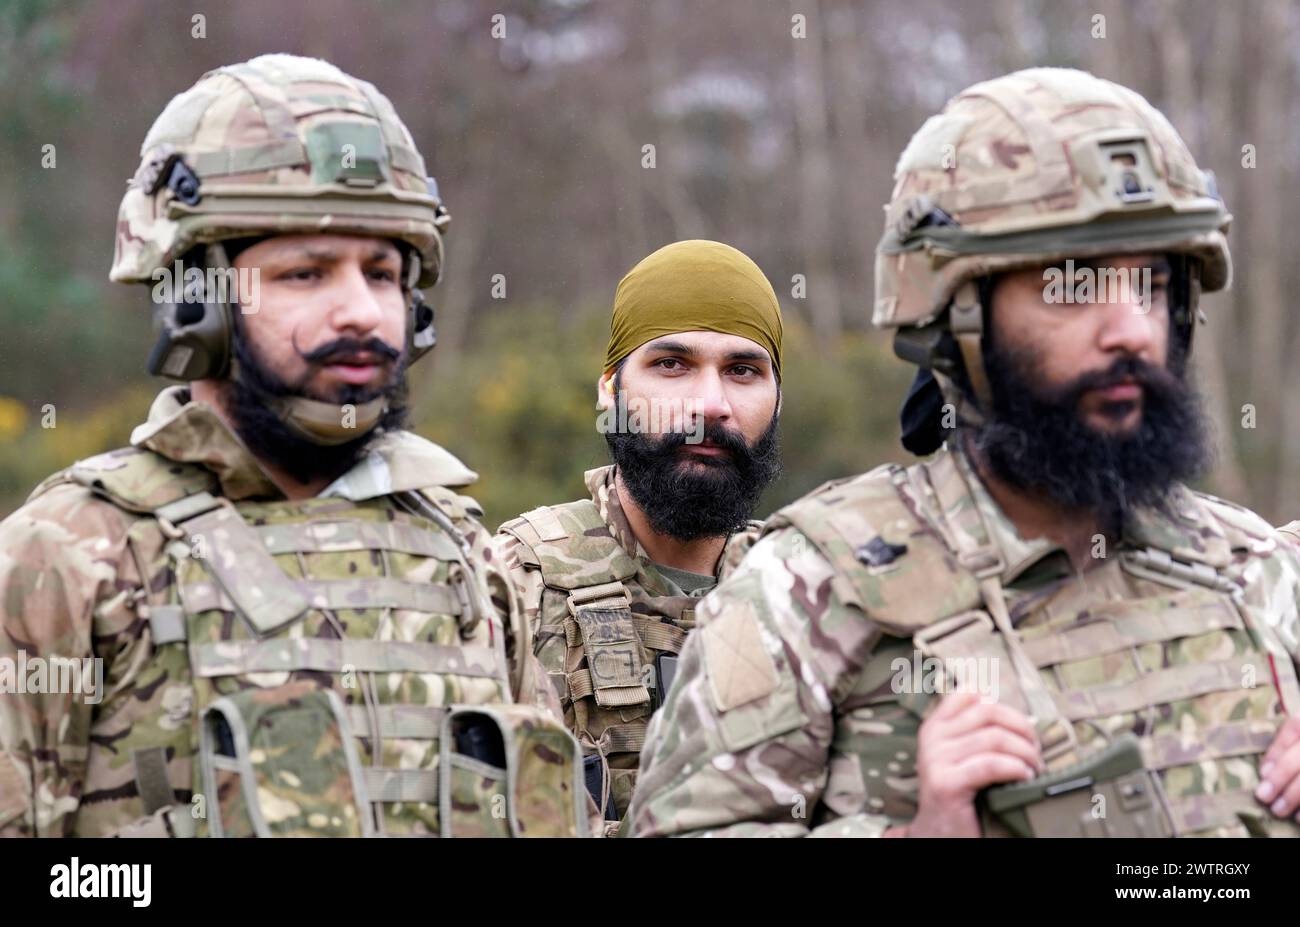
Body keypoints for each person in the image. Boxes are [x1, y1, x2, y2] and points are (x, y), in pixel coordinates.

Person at [628, 68, 1300, 838]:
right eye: (1070, 287)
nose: (1130, 332)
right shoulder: (804, 594)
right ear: (958, 314)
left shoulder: (1260, 575)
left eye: (1150, 284)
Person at [0, 54, 585, 838]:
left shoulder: (463, 558)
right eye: (306, 274)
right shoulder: (67, 557)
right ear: (196, 302)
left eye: (382, 273)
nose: (361, 313)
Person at [495, 240, 783, 830]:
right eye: (671, 364)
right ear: (611, 390)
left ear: (778, 400)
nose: (711, 404)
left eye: (743, 371)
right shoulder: (507, 587)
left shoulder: (811, 594)